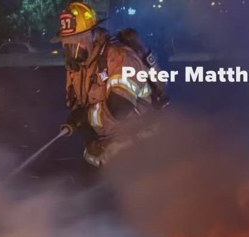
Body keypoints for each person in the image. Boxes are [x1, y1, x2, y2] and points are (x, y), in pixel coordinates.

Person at [55, 2, 167, 169]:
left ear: (93, 35)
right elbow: (77, 105)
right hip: (108, 141)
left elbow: (120, 107)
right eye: (67, 44)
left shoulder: (119, 57)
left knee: (137, 182)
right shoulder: (77, 67)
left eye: (77, 42)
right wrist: (87, 134)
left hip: (138, 138)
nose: (72, 49)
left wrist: (85, 117)